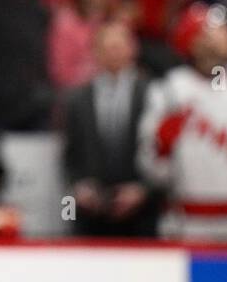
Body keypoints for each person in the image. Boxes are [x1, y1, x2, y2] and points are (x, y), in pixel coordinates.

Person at [137, 3, 227, 243]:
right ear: (193, 43)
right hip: (191, 224)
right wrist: (163, 149)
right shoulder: (169, 91)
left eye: (224, 31)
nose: (224, 37)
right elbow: (153, 172)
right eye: (211, 32)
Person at [62, 21, 158, 237]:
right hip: (93, 213)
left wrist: (144, 189)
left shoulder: (153, 93)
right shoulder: (77, 98)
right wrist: (80, 186)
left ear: (132, 49)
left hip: (141, 214)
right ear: (95, 52)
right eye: (106, 48)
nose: (113, 53)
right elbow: (69, 153)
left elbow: (163, 151)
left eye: (118, 46)